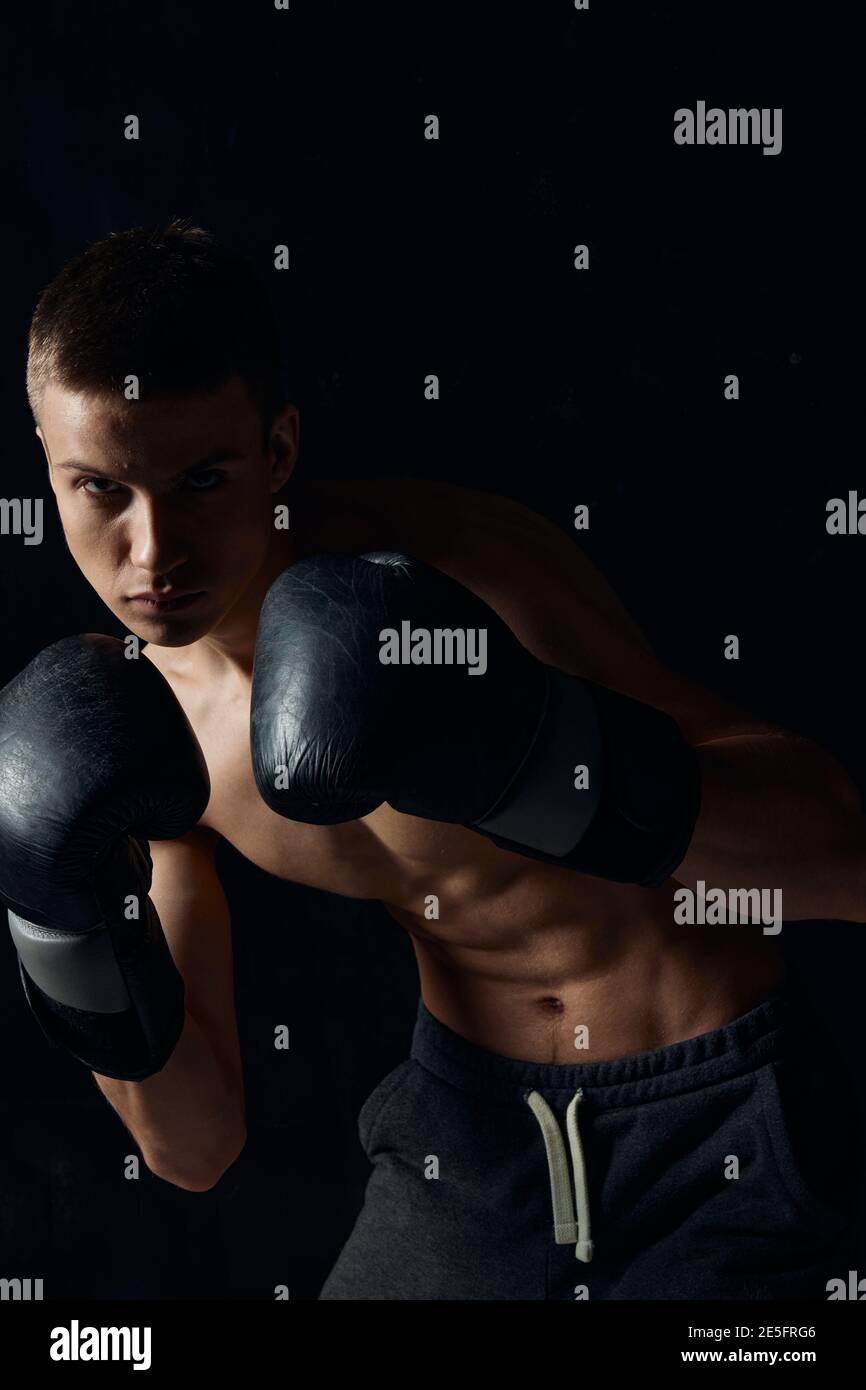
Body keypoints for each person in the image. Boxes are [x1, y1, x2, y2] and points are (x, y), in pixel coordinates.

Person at [2, 219, 863, 1299]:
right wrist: (60, 929)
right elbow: (195, 1143)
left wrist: (538, 750)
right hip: (468, 1147)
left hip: (714, 1118)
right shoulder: (133, 733)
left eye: (204, 479)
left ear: (277, 449)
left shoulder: (456, 585)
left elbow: (842, 858)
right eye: (100, 489)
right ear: (46, 461)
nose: (153, 552)